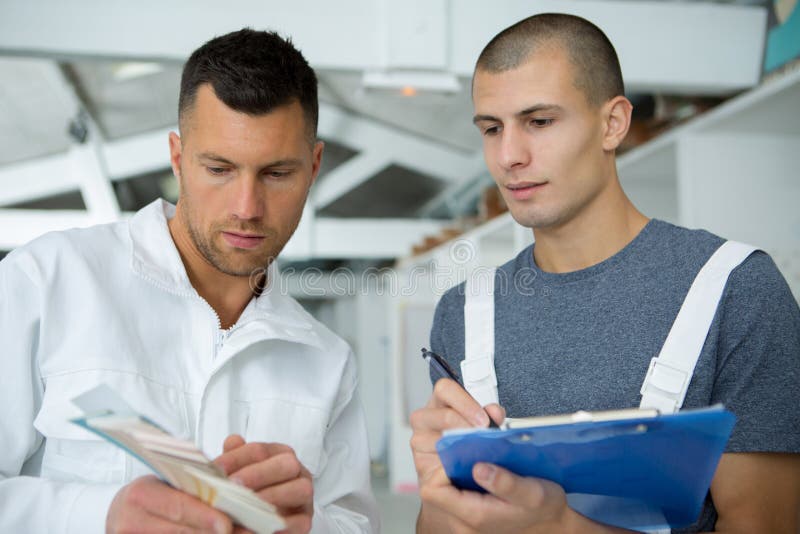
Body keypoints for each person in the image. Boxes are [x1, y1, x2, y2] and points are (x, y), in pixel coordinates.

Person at [410, 13, 800, 533]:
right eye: (491, 128)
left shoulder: (737, 290)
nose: (508, 156)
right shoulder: (462, 312)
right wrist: (437, 494)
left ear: (613, 123)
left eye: (539, 122)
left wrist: (560, 528)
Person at [0, 29, 378, 533]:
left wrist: (310, 527)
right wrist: (96, 515)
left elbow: (357, 525)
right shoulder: (46, 282)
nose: (246, 208)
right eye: (219, 168)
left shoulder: (327, 362)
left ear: (313, 167)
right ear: (178, 159)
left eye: (276, 173)